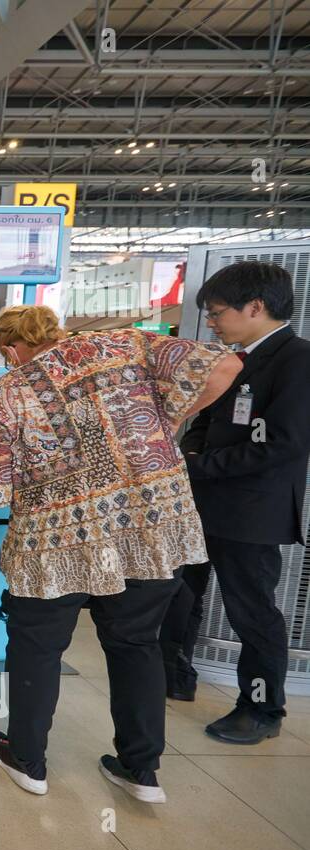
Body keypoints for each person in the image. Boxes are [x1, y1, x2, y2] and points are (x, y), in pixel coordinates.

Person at [0, 304, 240, 803]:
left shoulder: (9, 389)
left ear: (11, 348)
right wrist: (165, 423)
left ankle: (28, 760)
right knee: (137, 643)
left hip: (54, 541)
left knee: (37, 646)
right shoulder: (129, 344)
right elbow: (225, 365)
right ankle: (141, 771)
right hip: (147, 528)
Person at [160, 262, 310, 743]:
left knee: (252, 612)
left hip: (251, 512)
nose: (211, 322)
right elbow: (205, 420)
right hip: (202, 503)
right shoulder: (235, 360)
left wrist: (199, 466)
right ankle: (174, 673)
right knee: (179, 593)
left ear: (256, 307)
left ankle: (262, 708)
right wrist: (185, 456)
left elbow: (282, 445)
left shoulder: (297, 361)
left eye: (217, 312)